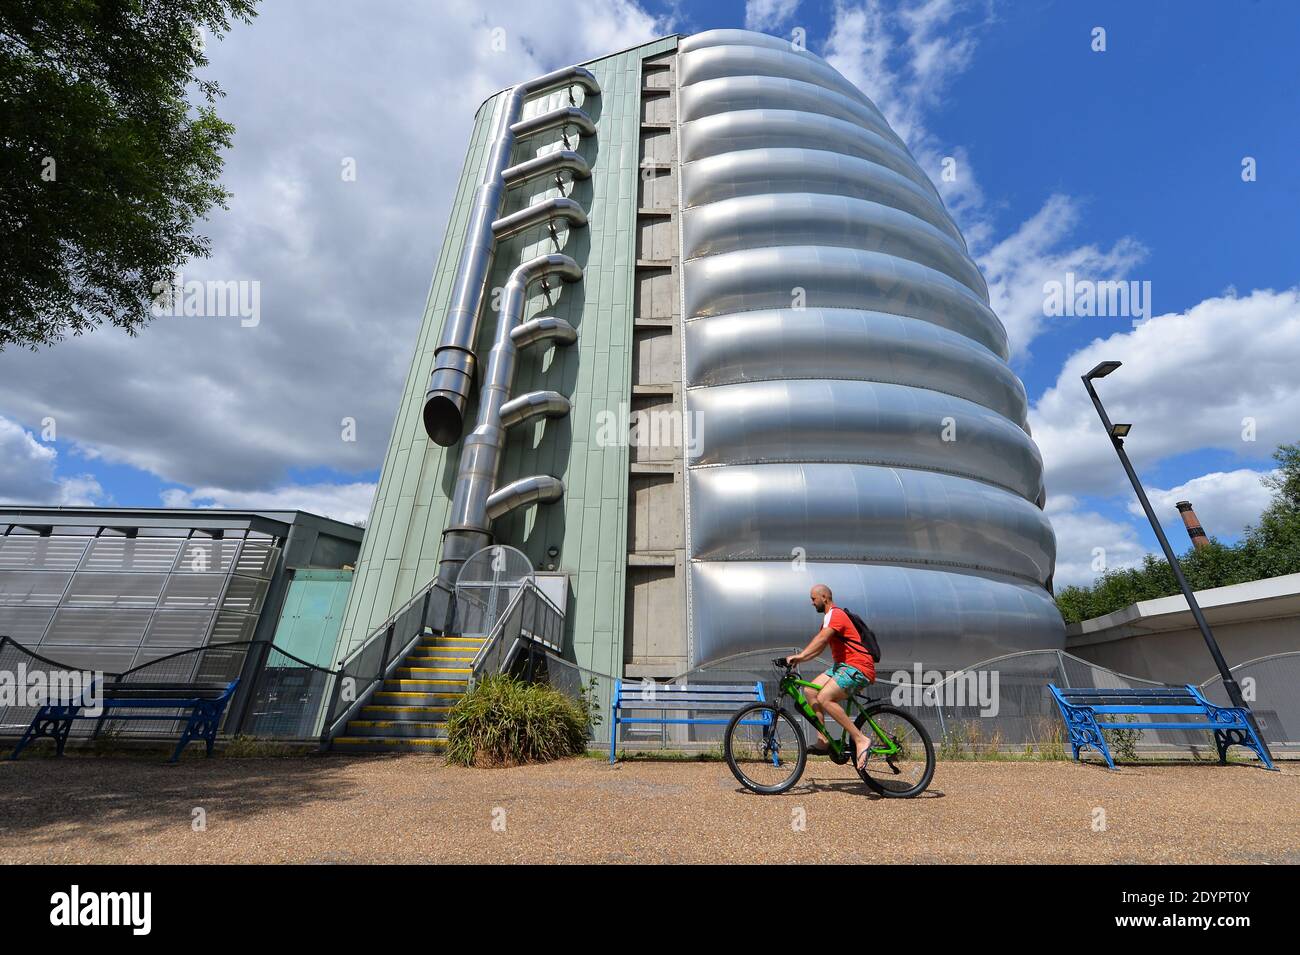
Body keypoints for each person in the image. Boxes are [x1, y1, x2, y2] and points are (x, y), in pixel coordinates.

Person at [782, 584, 877, 770]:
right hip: (842, 667)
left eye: (813, 598)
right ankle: (823, 739)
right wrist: (799, 660)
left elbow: (822, 639)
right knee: (810, 691)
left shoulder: (836, 614)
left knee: (824, 698)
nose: (812, 603)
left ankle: (861, 739)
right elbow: (818, 649)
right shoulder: (828, 619)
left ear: (824, 597)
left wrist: (799, 656)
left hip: (857, 667)